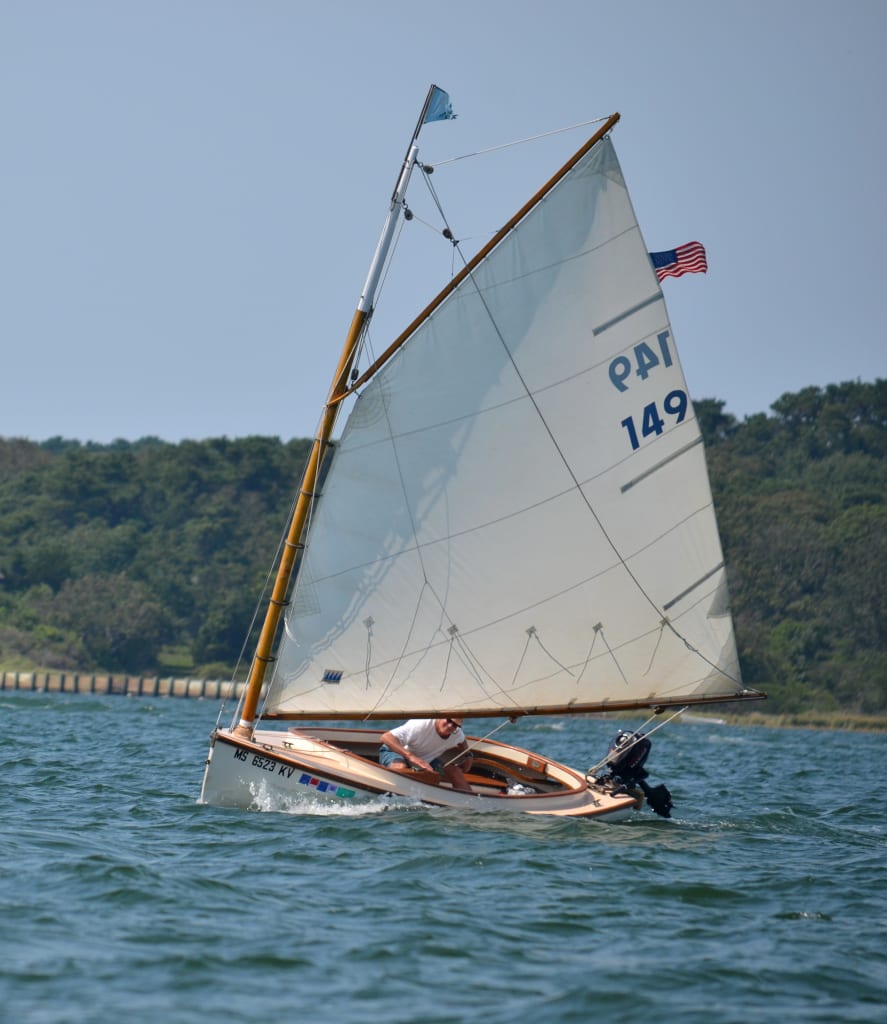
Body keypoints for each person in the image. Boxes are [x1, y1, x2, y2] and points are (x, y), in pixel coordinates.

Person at [379, 717, 474, 793]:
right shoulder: (420, 724)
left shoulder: (456, 733)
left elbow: (462, 741)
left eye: (455, 725)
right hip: (396, 751)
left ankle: (470, 805)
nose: (450, 726)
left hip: (426, 761)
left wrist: (469, 755)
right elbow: (386, 737)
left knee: (455, 771)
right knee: (400, 767)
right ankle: (394, 796)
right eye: (448, 720)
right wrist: (412, 757)